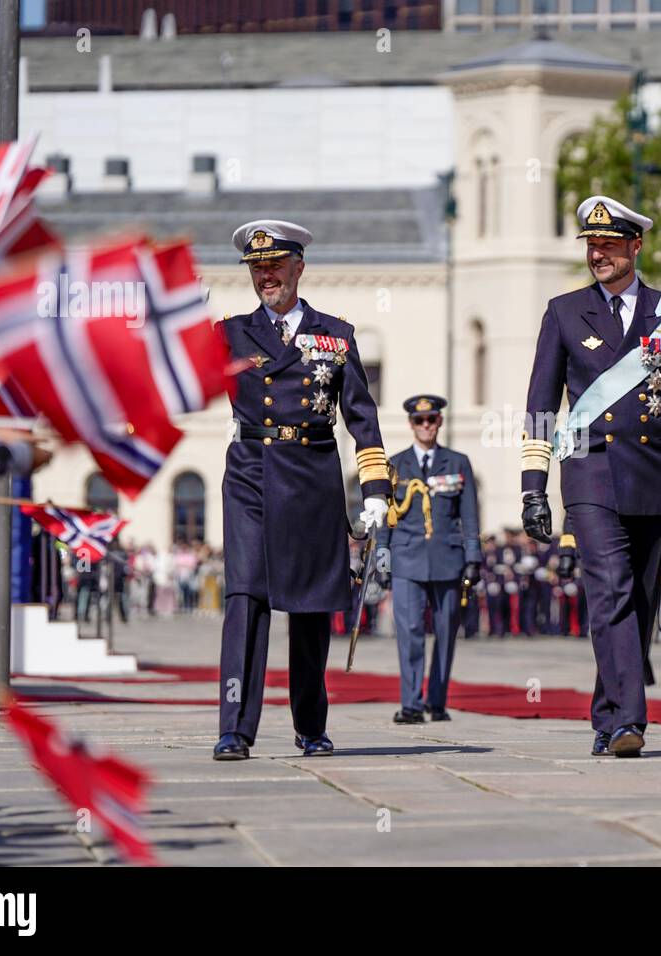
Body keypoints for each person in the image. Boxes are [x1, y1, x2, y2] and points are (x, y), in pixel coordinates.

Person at [520, 195, 661, 758]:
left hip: (656, 476)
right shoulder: (563, 312)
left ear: (636, 246)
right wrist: (533, 484)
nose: (598, 254)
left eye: (608, 245)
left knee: (641, 601)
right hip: (590, 472)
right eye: (591, 245)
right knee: (610, 590)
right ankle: (630, 719)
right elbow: (540, 405)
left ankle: (606, 713)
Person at [214, 219, 391, 760]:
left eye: (274, 266)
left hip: (313, 475)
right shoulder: (229, 333)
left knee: (312, 608)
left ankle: (311, 725)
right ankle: (235, 729)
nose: (266, 276)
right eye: (257, 268)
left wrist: (376, 489)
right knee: (246, 597)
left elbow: (361, 416)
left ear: (298, 267)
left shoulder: (335, 334)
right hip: (251, 471)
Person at [376, 394, 481, 723]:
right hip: (407, 558)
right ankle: (411, 704)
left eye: (431, 420)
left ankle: (436, 701)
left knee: (447, 631)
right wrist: (383, 556)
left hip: (448, 558)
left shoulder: (458, 462)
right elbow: (387, 516)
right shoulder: (396, 464)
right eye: (419, 421)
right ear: (410, 424)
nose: (426, 425)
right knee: (409, 631)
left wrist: (473, 555)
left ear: (440, 422)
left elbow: (470, 514)